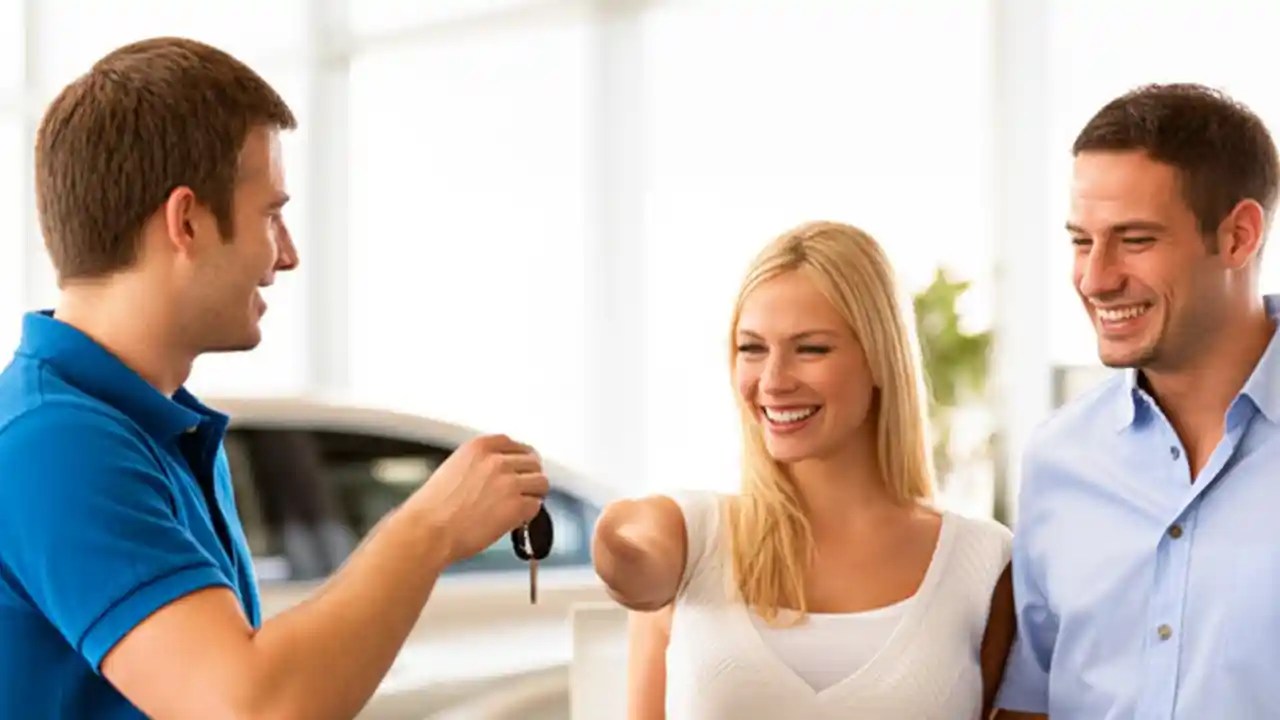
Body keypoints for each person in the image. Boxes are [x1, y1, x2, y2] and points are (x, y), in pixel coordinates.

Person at [0, 37, 548, 719]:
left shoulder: (159, 431)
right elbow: (254, 709)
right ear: (188, 221)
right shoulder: (52, 443)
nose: (285, 256)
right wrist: (428, 529)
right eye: (271, 214)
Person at [593, 220, 1016, 719]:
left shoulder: (981, 563)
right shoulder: (691, 536)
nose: (772, 381)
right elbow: (631, 556)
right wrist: (613, 543)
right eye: (752, 348)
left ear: (880, 358)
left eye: (811, 348)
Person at [993, 83, 1280, 720]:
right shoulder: (1058, 457)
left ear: (1237, 237)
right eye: (1080, 241)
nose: (1096, 277)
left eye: (1136, 239)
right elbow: (1032, 701)